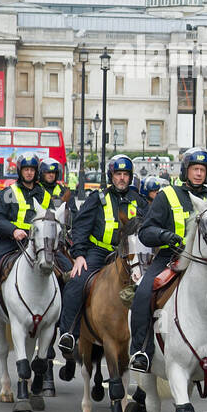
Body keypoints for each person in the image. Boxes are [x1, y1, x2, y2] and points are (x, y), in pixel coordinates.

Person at [128, 147, 207, 373]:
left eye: (202, 170)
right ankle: (141, 350)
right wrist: (165, 236)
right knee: (143, 293)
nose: (198, 173)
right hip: (172, 258)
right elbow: (146, 232)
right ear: (186, 171)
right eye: (194, 169)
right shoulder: (167, 195)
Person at [57, 155, 141, 373]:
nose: (122, 179)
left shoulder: (139, 200)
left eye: (125, 175)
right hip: (99, 252)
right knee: (77, 282)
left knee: (151, 287)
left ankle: (145, 345)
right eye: (118, 174)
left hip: (129, 256)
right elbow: (81, 227)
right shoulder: (98, 198)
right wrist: (79, 256)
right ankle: (69, 334)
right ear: (111, 176)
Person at [0, 151, 52, 327]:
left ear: (36, 172)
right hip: (11, 243)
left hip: (39, 244)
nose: (29, 173)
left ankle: (59, 316)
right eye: (26, 169)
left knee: (66, 270)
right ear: (20, 171)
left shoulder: (45, 195)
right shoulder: (8, 192)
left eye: (32, 169)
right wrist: (13, 231)